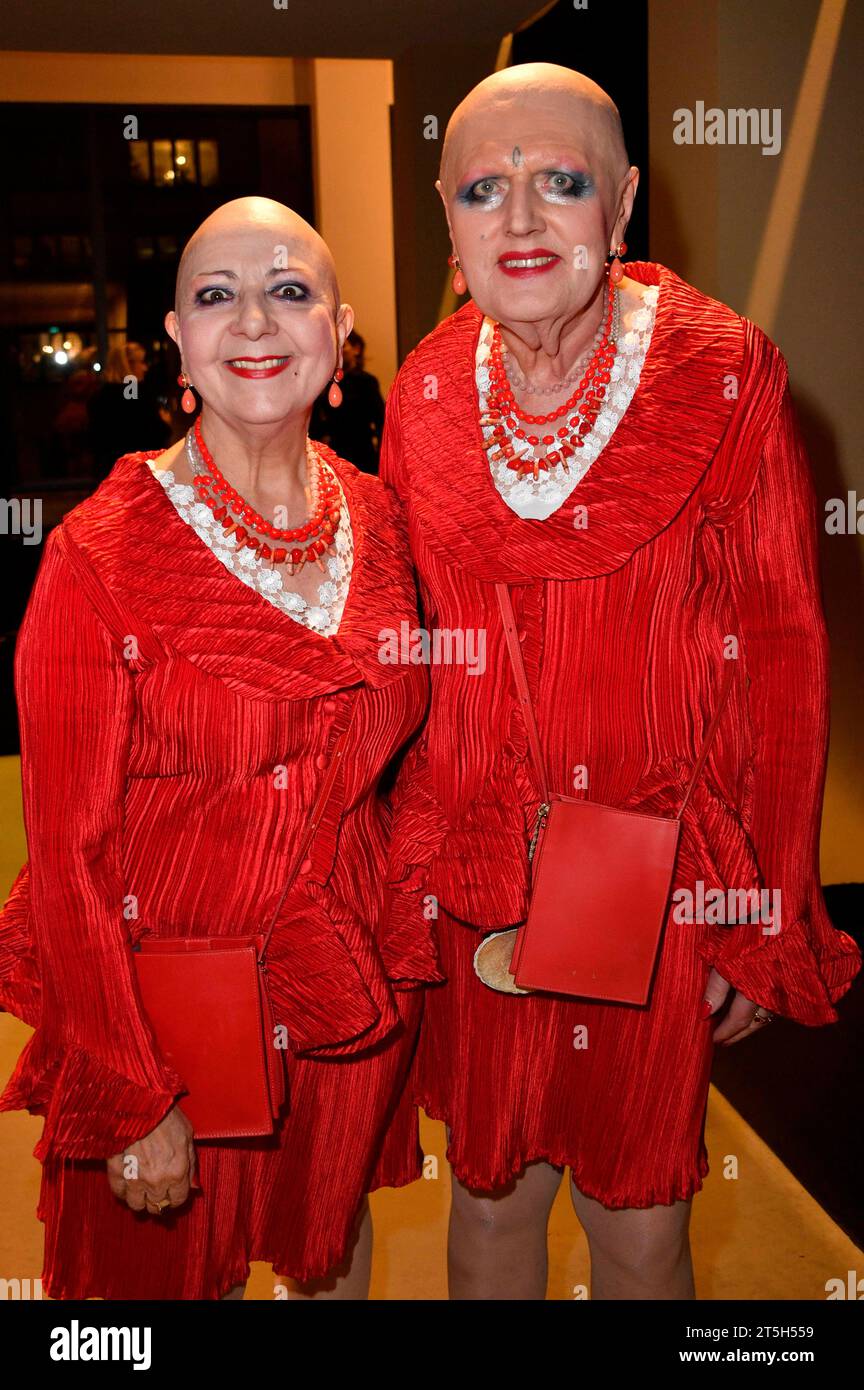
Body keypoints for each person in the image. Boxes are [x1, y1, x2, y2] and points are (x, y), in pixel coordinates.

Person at [379, 64, 862, 1301]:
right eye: (485, 188)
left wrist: (757, 909)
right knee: (488, 1197)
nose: (524, 219)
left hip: (649, 877)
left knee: (636, 1216)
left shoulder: (726, 373)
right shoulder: (425, 395)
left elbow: (786, 662)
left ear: (624, 201)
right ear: (448, 217)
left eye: (563, 181)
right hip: (479, 879)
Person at [0, 197, 438, 1300]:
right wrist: (130, 1089)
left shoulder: (385, 522)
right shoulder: (96, 555)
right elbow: (67, 859)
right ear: (180, 344)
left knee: (326, 1261)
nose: (255, 321)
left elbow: (406, 766)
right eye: (217, 296)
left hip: (336, 1001)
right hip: (164, 1022)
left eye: (289, 291)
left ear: (338, 335)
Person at [88, 340, 172, 481]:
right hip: (134, 473)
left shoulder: (100, 395)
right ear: (129, 364)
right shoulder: (133, 391)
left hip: (108, 473)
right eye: (141, 362)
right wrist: (164, 421)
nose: (145, 368)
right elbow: (150, 433)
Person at [311, 330, 385, 474]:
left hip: (362, 456)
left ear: (356, 349)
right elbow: (315, 425)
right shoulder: (324, 382)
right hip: (332, 457)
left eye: (343, 346)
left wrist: (381, 460)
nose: (338, 352)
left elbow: (380, 422)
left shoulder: (367, 382)